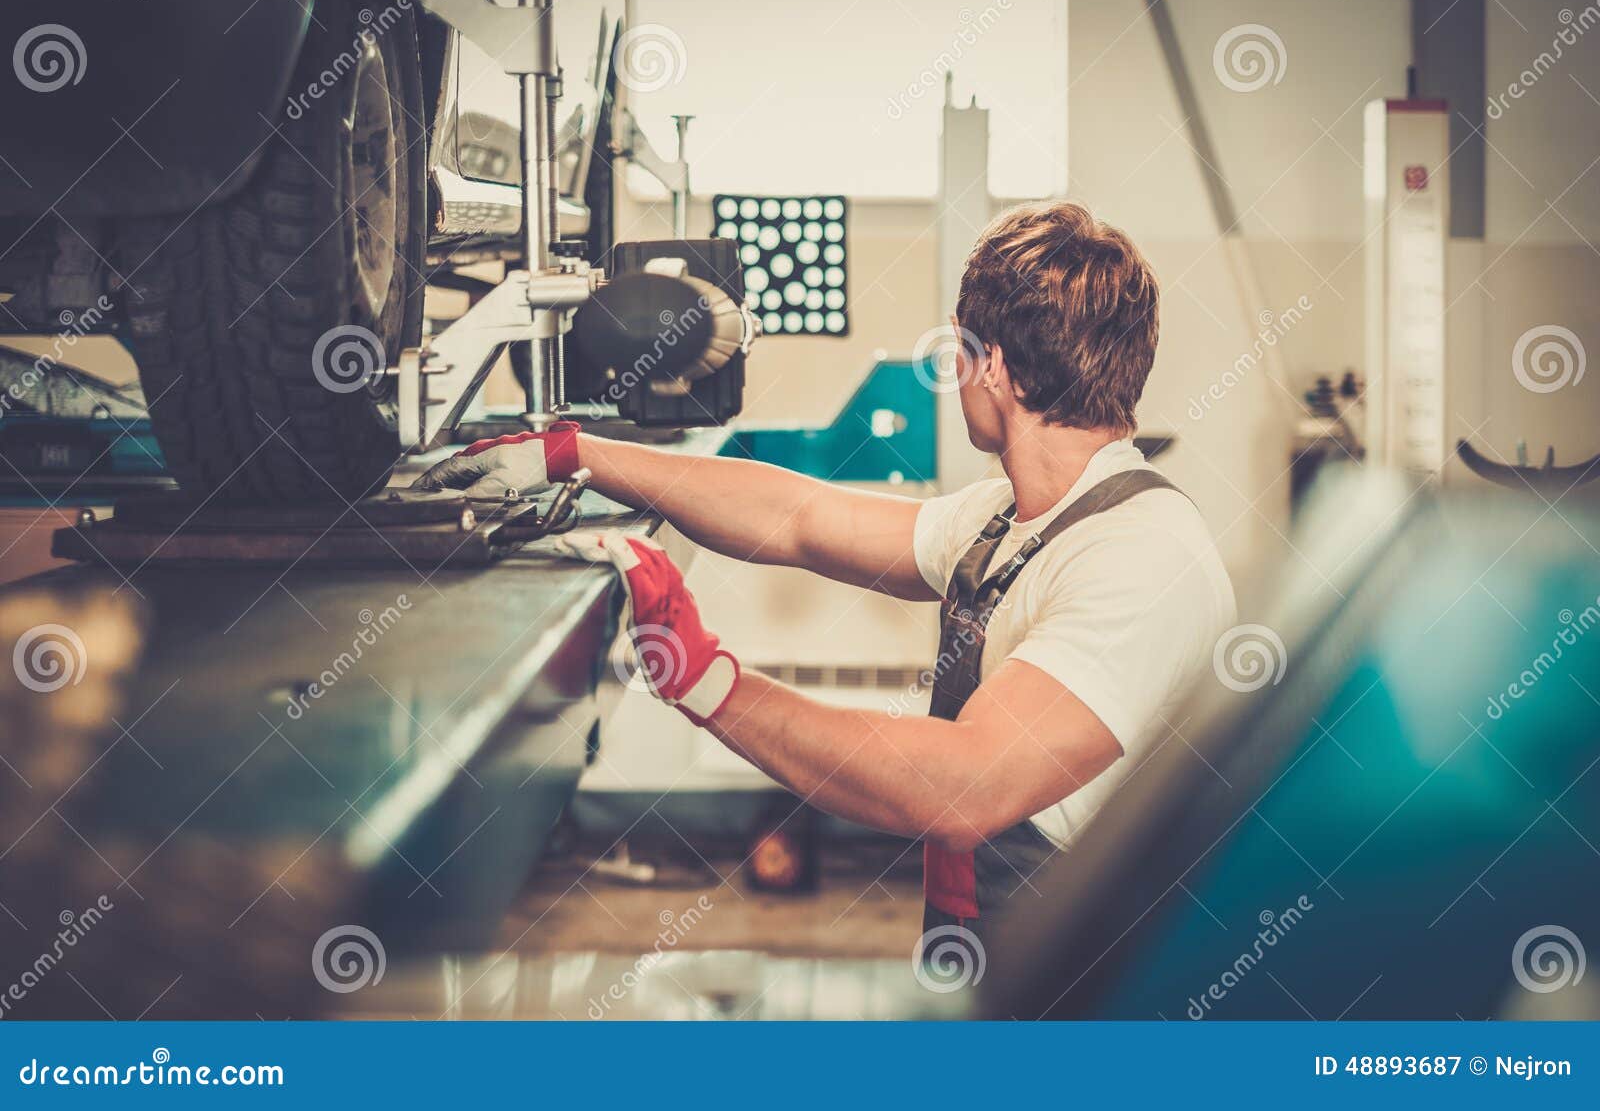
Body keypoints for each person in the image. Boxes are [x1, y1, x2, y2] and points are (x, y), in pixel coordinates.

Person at [419, 201, 1236, 952]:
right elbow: (804, 519)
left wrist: (711, 684)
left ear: (999, 370)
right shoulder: (1008, 519)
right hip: (994, 946)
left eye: (961, 350)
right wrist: (579, 453)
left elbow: (965, 782)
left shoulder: (1141, 553)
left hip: (1097, 983)